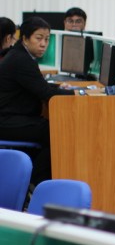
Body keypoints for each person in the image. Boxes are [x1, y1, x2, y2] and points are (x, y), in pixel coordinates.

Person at [0, 17, 77, 185]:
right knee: (58, 132)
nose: (44, 44)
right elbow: (45, 92)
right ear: (25, 39)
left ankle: (35, 179)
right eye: (39, 38)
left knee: (51, 129)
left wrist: (58, 88)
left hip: (12, 117)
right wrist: (76, 93)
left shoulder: (20, 55)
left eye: (47, 39)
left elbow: (39, 86)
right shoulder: (21, 60)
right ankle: (37, 181)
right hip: (6, 121)